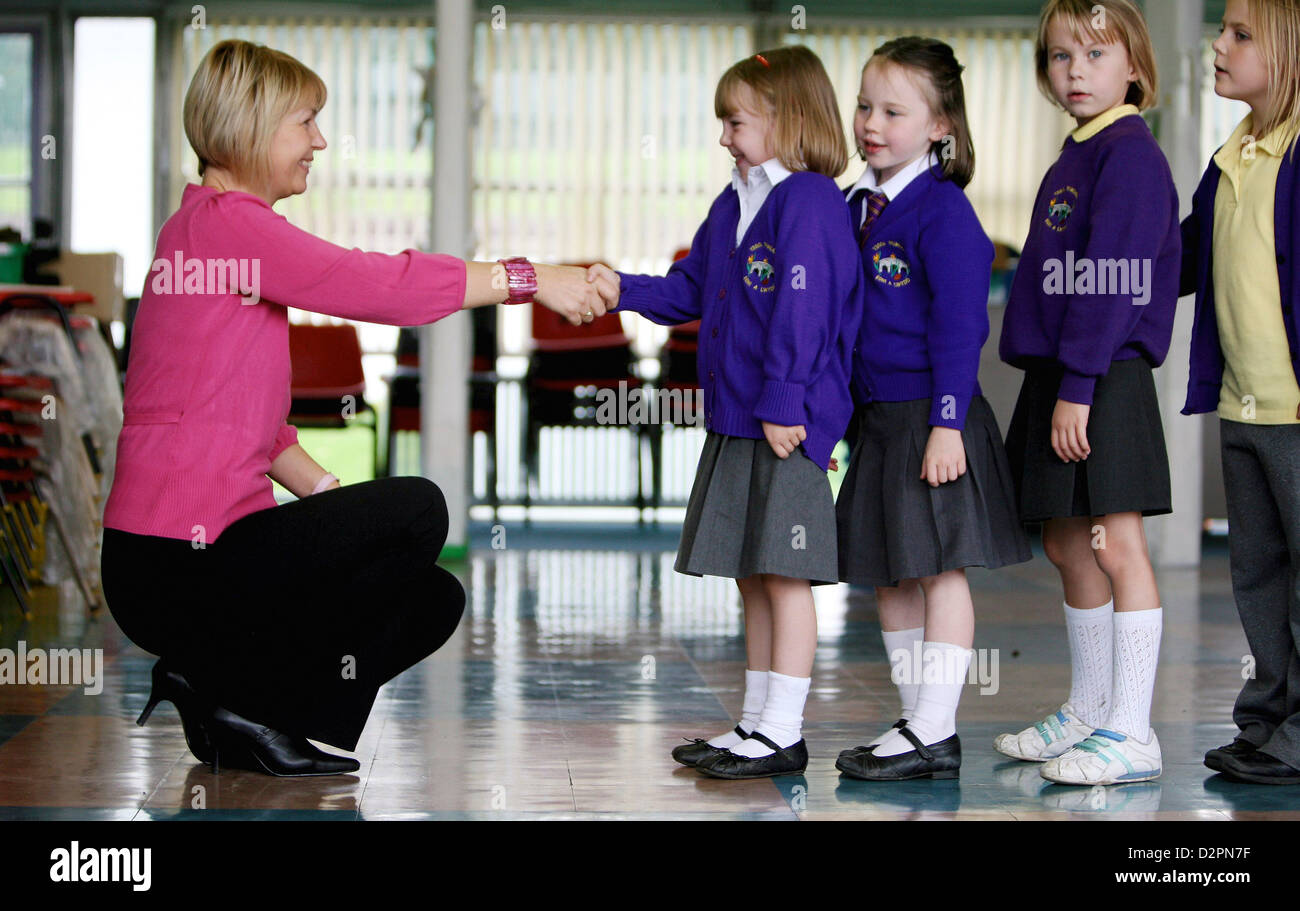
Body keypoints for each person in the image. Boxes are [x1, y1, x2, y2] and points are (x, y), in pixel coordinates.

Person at [103, 39, 614, 777]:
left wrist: (324, 498)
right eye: (305, 121)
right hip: (177, 561)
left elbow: (252, 424)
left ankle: (268, 719)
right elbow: (375, 285)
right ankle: (233, 685)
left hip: (188, 560)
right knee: (418, 511)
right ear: (250, 126)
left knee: (430, 596)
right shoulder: (226, 225)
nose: (320, 140)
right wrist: (527, 277)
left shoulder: (198, 233)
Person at [587, 45, 864, 779]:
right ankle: (755, 721)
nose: (723, 136)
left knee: (785, 572)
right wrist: (618, 289)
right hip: (738, 416)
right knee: (753, 572)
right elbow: (687, 289)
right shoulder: (733, 199)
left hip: (784, 419)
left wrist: (781, 399)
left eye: (735, 121)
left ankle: (785, 730)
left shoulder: (806, 198)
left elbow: (803, 310)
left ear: (786, 119)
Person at [832, 37, 1031, 783]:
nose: (871, 123)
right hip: (878, 419)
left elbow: (960, 325)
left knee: (941, 568)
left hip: (933, 416)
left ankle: (935, 726)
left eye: (893, 110)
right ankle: (916, 719)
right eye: (864, 106)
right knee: (890, 570)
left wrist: (948, 421)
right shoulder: (854, 207)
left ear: (940, 124)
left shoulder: (942, 211)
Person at [995, 0, 1180, 786]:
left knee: (1117, 542)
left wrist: (1079, 385)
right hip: (1061, 376)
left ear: (1134, 65)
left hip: (1102, 377)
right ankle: (1092, 708)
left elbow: (1111, 285)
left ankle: (1133, 731)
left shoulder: (1129, 155)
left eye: (1096, 56)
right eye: (1062, 57)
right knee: (1070, 542)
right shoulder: (1075, 152)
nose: (1076, 72)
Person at [1182, 0, 1300, 786]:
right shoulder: (1231, 155)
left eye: (1240, 35)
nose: (1218, 45)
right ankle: (1269, 718)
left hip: (1294, 411)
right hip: (1243, 404)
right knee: (1257, 570)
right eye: (1221, 29)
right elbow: (1180, 258)